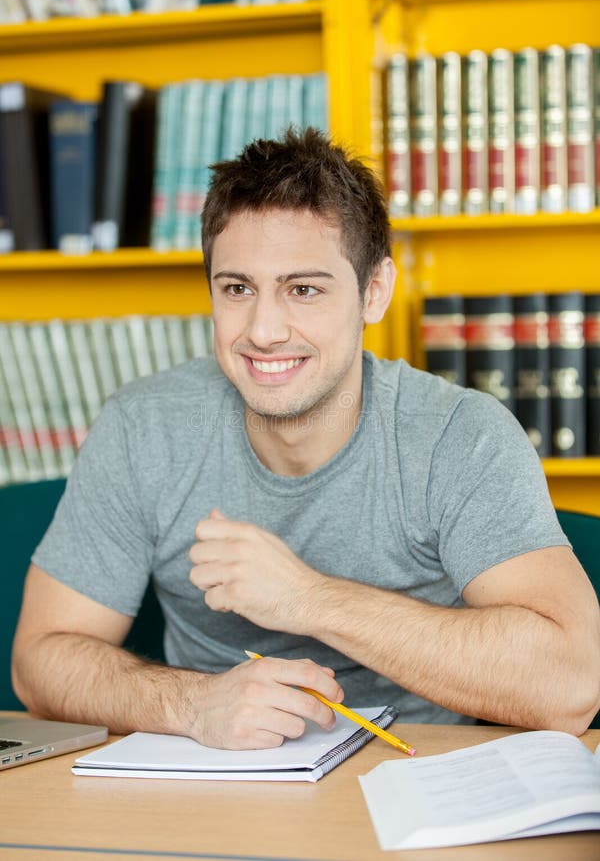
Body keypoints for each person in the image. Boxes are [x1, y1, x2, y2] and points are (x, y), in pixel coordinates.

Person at [12, 128, 600, 749]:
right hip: (203, 788)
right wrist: (193, 705)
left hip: (409, 782)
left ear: (374, 293)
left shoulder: (459, 435)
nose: (263, 331)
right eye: (237, 289)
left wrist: (307, 598)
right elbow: (40, 661)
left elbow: (571, 686)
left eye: (304, 289)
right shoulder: (144, 425)